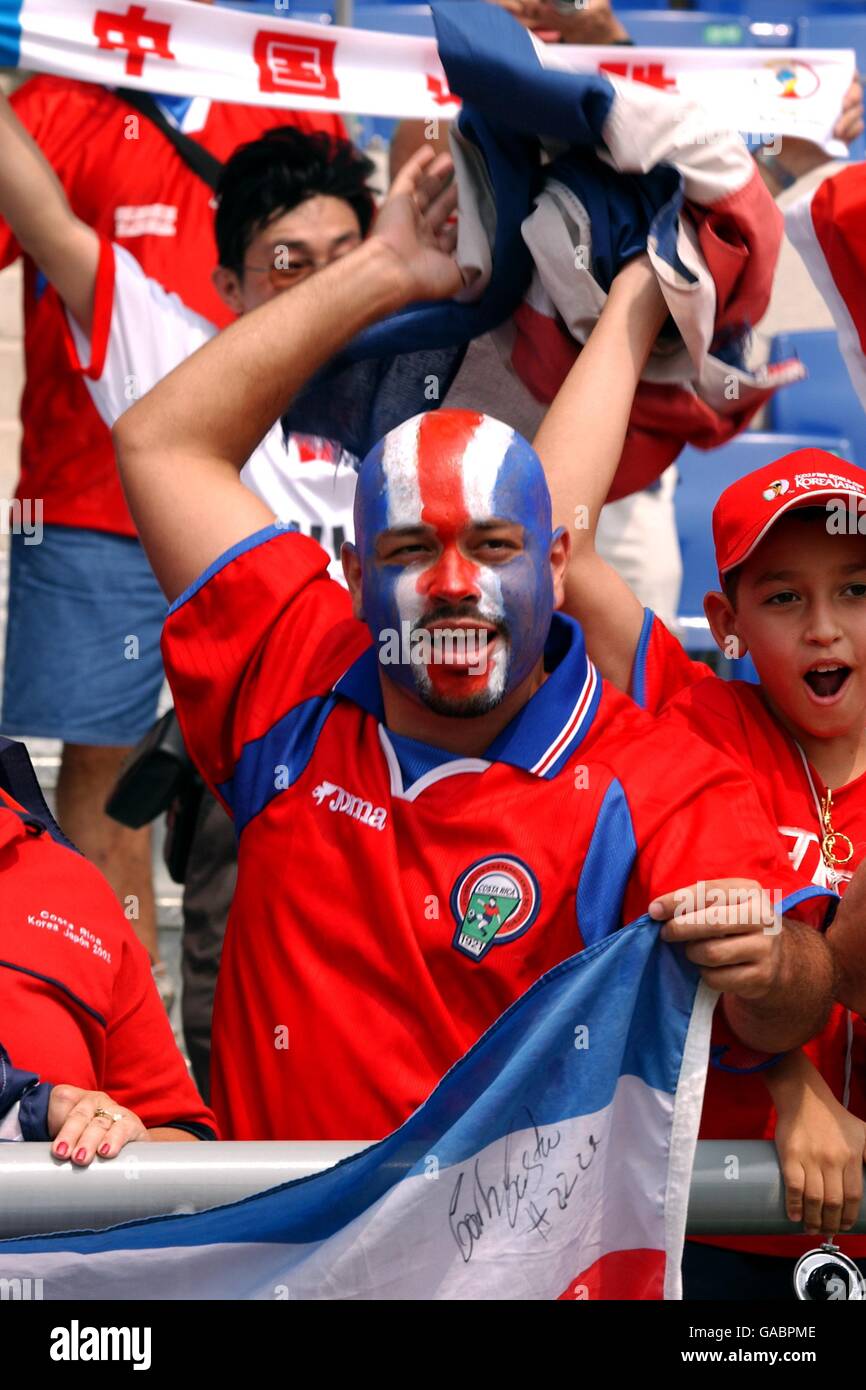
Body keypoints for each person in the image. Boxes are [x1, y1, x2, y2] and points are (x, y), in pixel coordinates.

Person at [111, 145, 835, 1148]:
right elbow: (160, 442)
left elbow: (789, 998)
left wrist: (767, 968)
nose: (455, 583)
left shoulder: (657, 773)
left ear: (554, 558)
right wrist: (385, 269)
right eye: (411, 548)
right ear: (355, 574)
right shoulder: (293, 669)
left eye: (492, 547)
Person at [0, 94, 376, 1091]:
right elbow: (45, 219)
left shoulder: (440, 365)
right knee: (242, 1020)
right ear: (225, 285)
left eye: (348, 255)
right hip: (265, 776)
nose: (322, 284)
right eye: (288, 262)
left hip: (412, 761)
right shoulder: (178, 360)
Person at [533, 251, 866, 1295]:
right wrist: (636, 300)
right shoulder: (694, 713)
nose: (824, 626)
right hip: (714, 1225)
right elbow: (553, 538)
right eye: (781, 598)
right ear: (721, 625)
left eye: (856, 589)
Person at [0, 740, 216, 1162]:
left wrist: (126, 1139)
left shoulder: (72, 886)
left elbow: (185, 1138)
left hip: (68, 1226)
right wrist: (37, 1113)